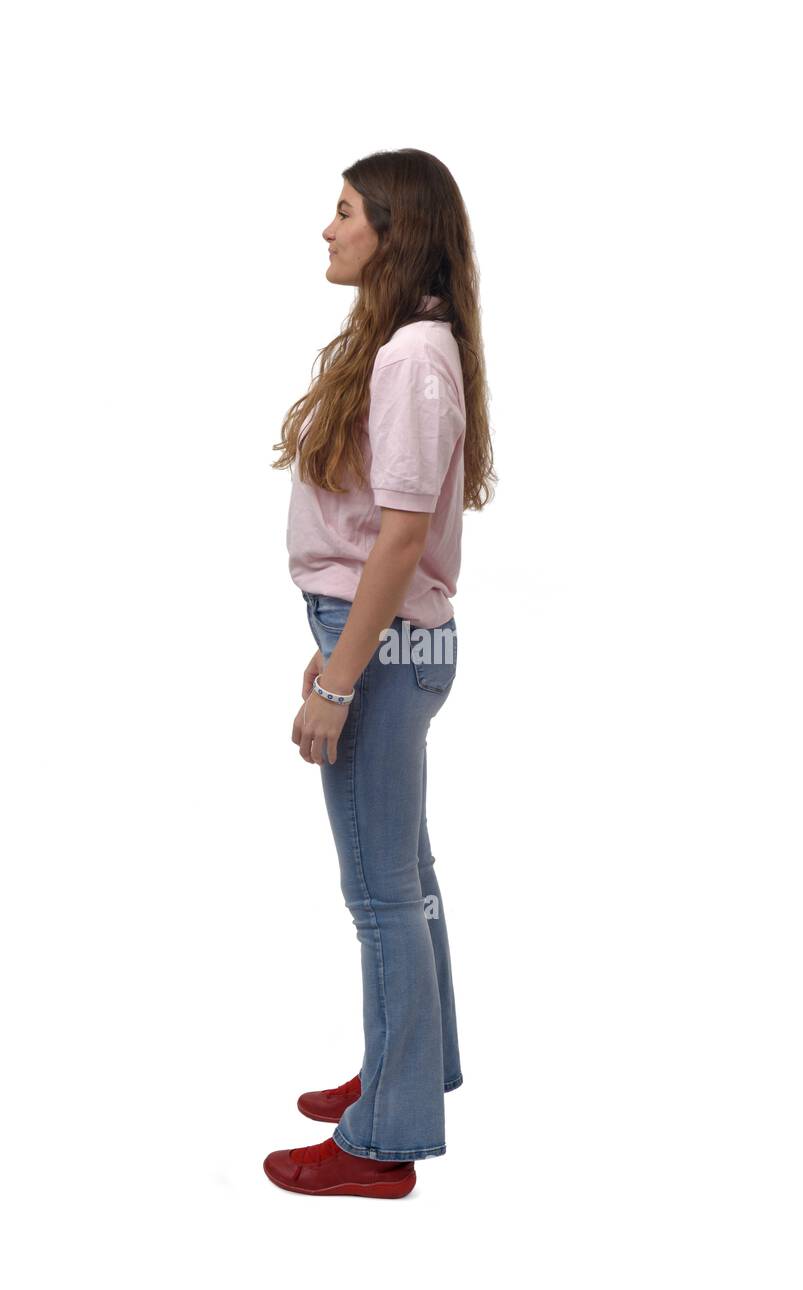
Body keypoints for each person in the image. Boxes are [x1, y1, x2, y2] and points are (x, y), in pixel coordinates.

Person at [263, 149, 495, 1199]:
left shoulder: (408, 357)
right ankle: (412, 1071)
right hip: (394, 638)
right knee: (409, 880)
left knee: (381, 893)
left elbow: (398, 538)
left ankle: (382, 1138)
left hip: (381, 644)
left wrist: (334, 682)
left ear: (391, 233)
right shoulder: (419, 345)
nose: (328, 228)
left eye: (346, 211)